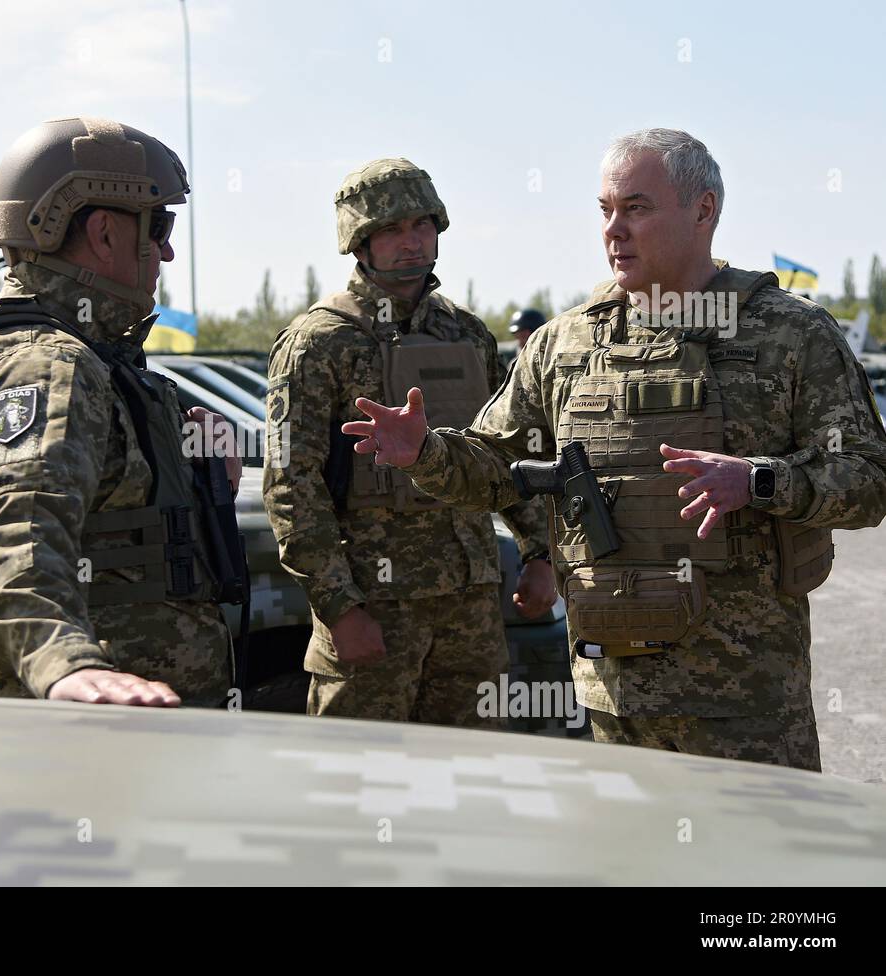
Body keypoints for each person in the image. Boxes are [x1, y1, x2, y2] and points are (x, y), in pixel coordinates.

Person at [342, 129, 886, 768]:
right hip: (611, 698)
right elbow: (497, 466)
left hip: (744, 702)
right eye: (604, 211)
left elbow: (869, 478)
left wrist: (760, 482)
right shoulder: (563, 343)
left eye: (636, 208)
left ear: (703, 210)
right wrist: (426, 453)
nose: (614, 230)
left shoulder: (791, 333)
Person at [0, 116, 244, 708]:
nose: (167, 250)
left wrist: (200, 475)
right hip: (96, 730)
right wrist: (66, 667)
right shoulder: (45, 364)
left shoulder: (83, 355)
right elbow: (11, 539)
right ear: (105, 232)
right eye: (157, 226)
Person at [262, 158, 555, 725]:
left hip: (469, 603)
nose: (411, 242)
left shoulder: (466, 333)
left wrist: (539, 551)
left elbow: (504, 454)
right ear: (359, 242)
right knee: (359, 778)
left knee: (468, 776)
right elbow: (291, 485)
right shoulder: (317, 342)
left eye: (421, 225)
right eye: (392, 230)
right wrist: (340, 607)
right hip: (373, 603)